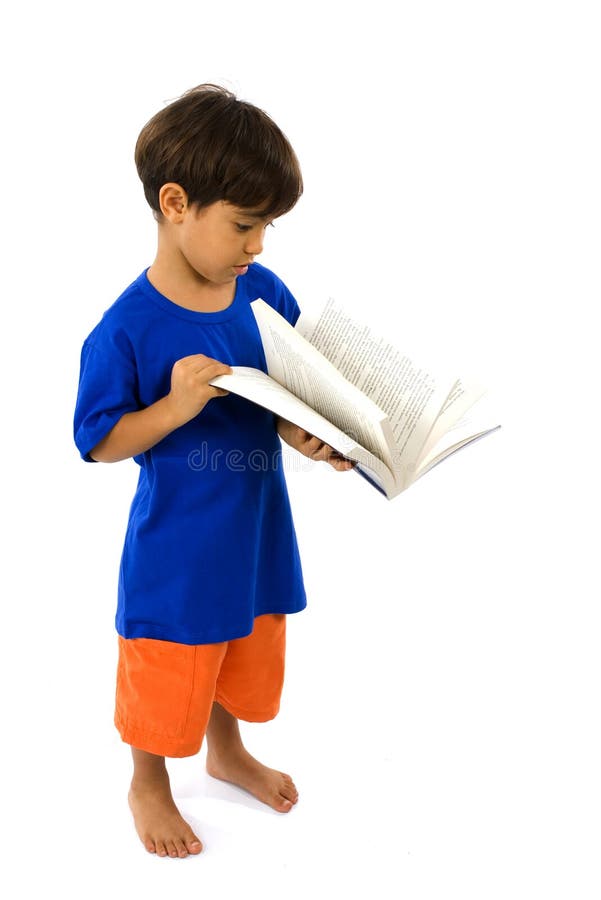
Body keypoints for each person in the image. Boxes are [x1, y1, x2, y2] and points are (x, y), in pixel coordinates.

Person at [73, 83, 352, 859]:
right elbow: (97, 440)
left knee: (238, 647)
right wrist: (170, 409)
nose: (259, 244)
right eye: (245, 224)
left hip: (258, 531)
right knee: (170, 663)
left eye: (266, 225)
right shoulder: (126, 328)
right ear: (175, 204)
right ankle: (150, 781)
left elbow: (289, 399)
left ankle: (224, 752)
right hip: (178, 549)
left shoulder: (262, 294)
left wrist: (310, 438)